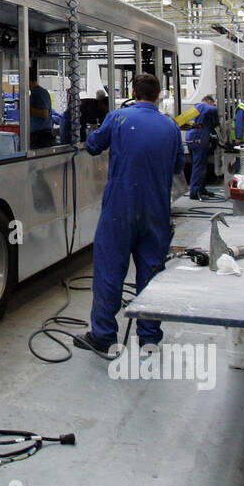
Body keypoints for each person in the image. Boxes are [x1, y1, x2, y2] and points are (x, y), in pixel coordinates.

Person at [74, 73, 183, 359]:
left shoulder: (118, 118)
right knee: (152, 272)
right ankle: (148, 337)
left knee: (110, 269)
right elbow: (176, 166)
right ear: (158, 95)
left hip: (121, 207)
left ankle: (104, 336)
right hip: (157, 209)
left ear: (133, 92)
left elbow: (93, 145)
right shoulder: (171, 127)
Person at [185, 94, 220, 200]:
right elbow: (213, 111)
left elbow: (180, 121)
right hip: (199, 139)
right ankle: (195, 192)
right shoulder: (204, 106)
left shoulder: (194, 109)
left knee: (199, 165)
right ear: (209, 101)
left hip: (190, 138)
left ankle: (201, 189)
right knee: (199, 166)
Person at [28, 63, 55, 149]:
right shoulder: (33, 93)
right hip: (36, 135)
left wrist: (26, 108)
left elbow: (44, 113)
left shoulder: (40, 92)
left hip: (41, 137)